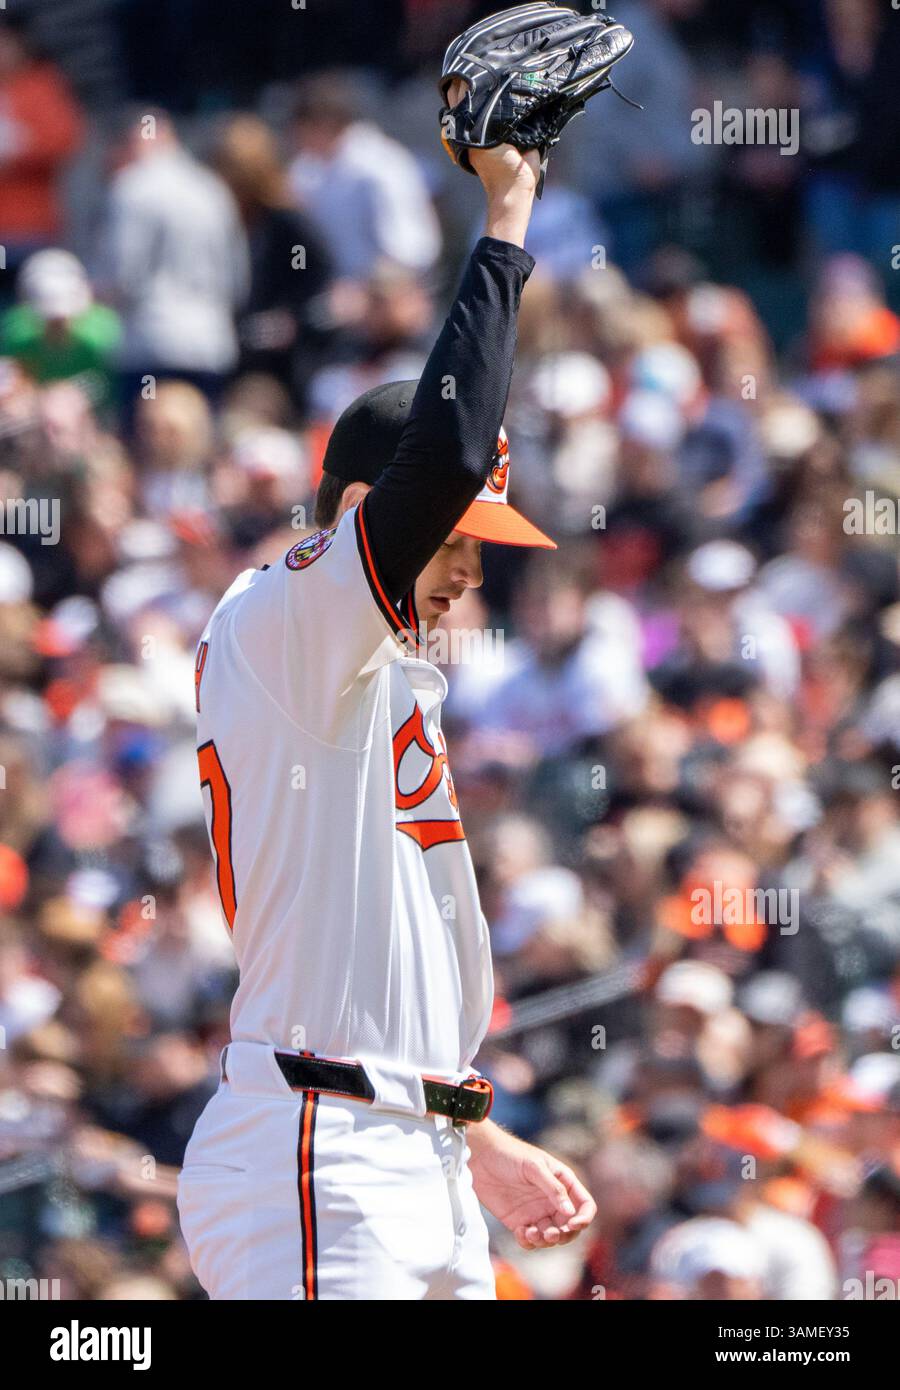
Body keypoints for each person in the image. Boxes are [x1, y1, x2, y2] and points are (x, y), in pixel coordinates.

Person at [177, 80, 596, 1302]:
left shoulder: (371, 672)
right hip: (315, 1151)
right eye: (456, 541)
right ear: (365, 514)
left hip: (407, 1153)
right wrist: (507, 215)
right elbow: (447, 454)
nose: (470, 573)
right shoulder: (285, 615)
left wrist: (464, 1123)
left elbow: (384, 975)